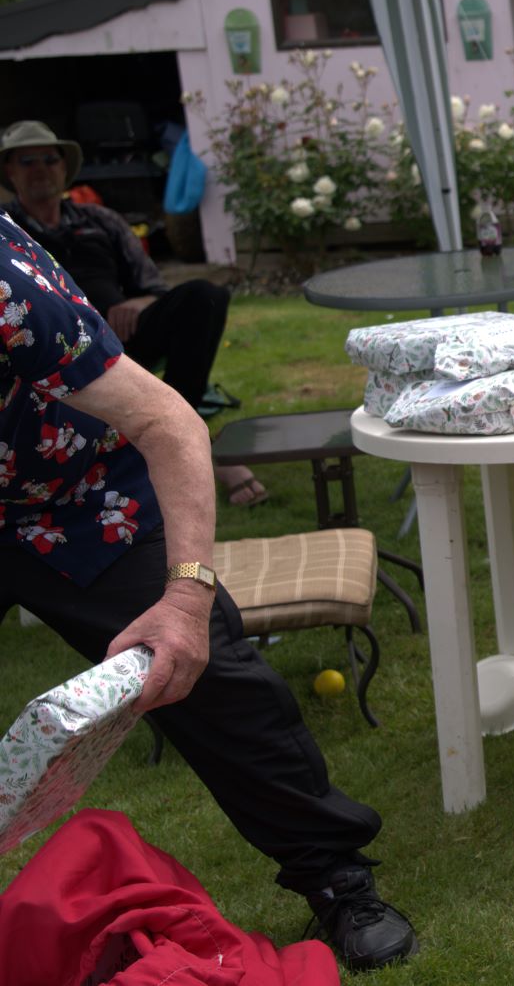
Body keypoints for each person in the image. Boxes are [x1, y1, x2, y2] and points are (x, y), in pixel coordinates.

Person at [0, 206, 418, 972]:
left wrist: (186, 598)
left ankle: (335, 874)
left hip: (83, 498)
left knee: (202, 669)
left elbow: (171, 422)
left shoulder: (11, 292)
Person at [0, 120, 269, 505]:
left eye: (49, 159)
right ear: (10, 171)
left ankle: (182, 427)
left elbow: (154, 286)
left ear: (64, 167)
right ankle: (176, 447)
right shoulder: (9, 234)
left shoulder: (100, 220)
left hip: (118, 337)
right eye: (27, 161)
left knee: (203, 296)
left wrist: (136, 304)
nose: (40, 169)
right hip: (49, 351)